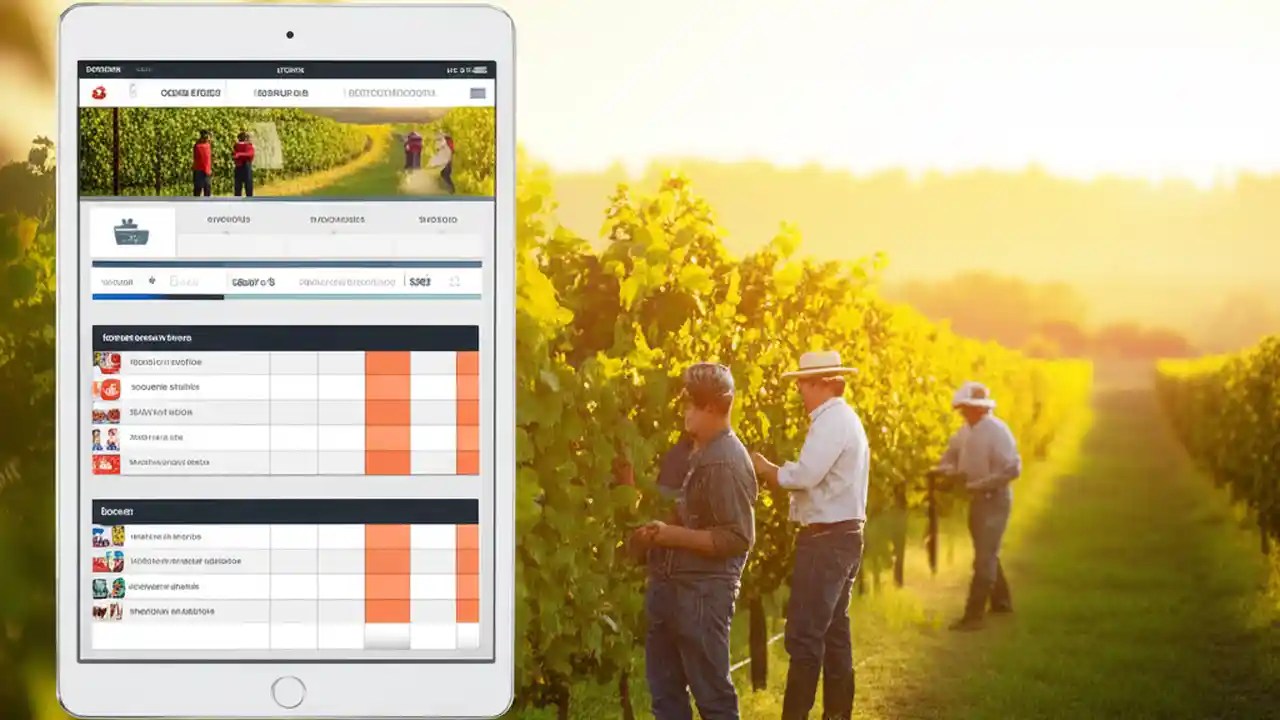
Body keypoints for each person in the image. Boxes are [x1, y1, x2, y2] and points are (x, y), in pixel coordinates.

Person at [630, 363, 757, 720]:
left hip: (701, 596)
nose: (687, 410)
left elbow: (737, 537)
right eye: (687, 402)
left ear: (719, 407)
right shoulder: (694, 453)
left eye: (695, 404)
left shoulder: (725, 462)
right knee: (666, 699)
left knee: (712, 700)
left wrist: (671, 536)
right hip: (671, 591)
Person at [751, 350, 868, 720]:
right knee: (834, 633)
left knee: (803, 637)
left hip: (827, 541)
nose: (799, 390)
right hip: (842, 536)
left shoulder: (833, 422)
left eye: (803, 383)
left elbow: (803, 476)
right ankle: (837, 715)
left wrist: (765, 467)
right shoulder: (841, 419)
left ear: (822, 384)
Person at [932, 381, 1020, 631]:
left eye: (965, 408)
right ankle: (1002, 602)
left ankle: (973, 616)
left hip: (995, 500)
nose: (962, 413)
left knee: (984, 557)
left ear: (978, 408)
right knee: (986, 550)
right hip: (977, 501)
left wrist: (981, 485)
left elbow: (1012, 469)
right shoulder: (965, 432)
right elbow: (950, 456)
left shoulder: (997, 431)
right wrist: (945, 470)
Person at [232, 131, 255, 197]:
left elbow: (234, 155)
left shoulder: (236, 146)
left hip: (238, 166)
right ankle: (249, 199)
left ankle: (237, 199)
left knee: (238, 186)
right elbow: (251, 154)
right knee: (248, 185)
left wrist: (238, 155)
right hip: (246, 166)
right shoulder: (248, 146)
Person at [192, 130, 212, 196]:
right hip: (200, 169)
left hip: (205, 169)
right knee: (199, 188)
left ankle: (205, 203)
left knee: (206, 187)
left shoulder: (207, 144)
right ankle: (198, 202)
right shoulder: (198, 145)